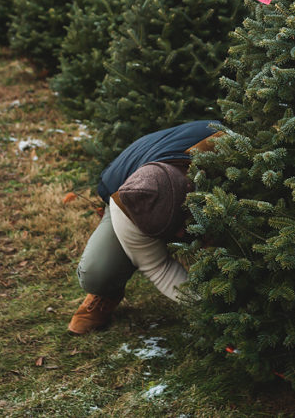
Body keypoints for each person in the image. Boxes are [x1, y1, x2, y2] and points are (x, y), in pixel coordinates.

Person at [67, 120, 222, 334]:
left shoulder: (218, 147)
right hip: (128, 185)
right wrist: (210, 311)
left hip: (186, 160)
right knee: (96, 274)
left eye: (179, 225)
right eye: (168, 234)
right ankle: (108, 292)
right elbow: (160, 269)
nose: (178, 236)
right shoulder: (127, 205)